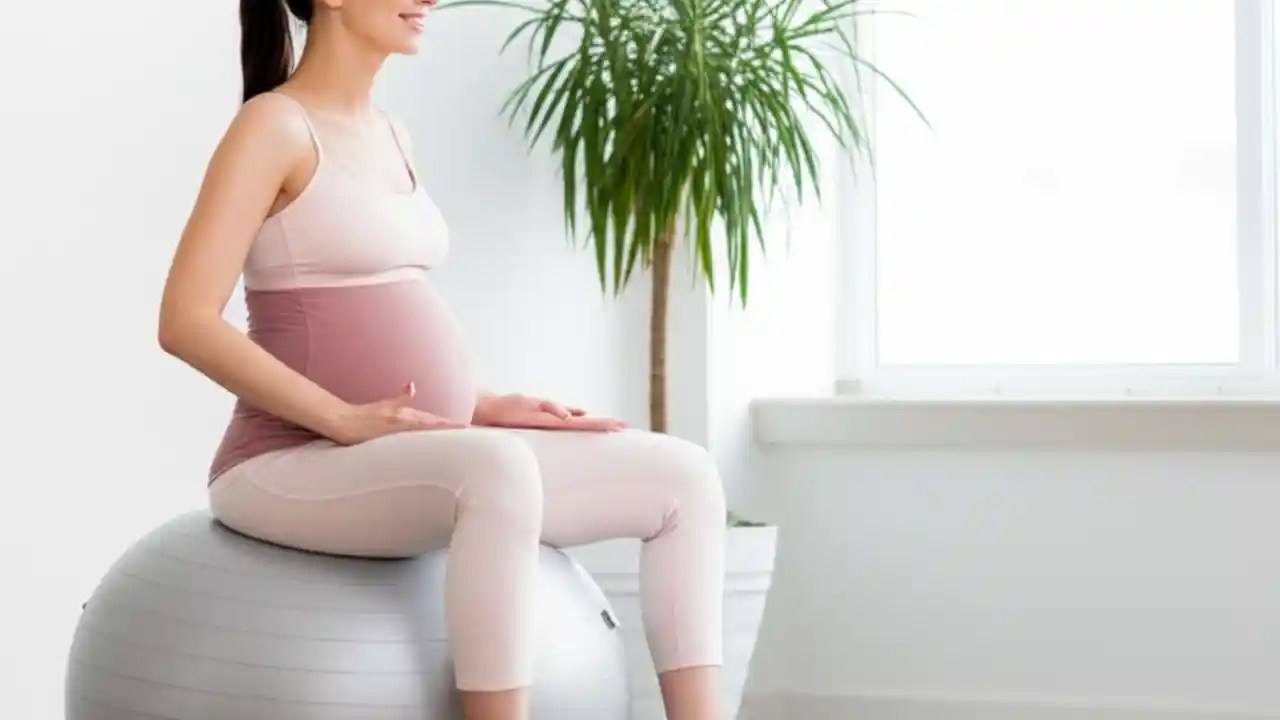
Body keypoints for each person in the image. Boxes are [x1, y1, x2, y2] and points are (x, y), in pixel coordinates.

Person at [156, 1, 728, 719]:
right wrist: (340, 418)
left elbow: (375, 327)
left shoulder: (392, 132)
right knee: (497, 466)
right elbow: (184, 321)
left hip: (413, 455)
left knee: (683, 475)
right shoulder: (272, 127)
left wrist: (482, 404)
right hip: (286, 461)